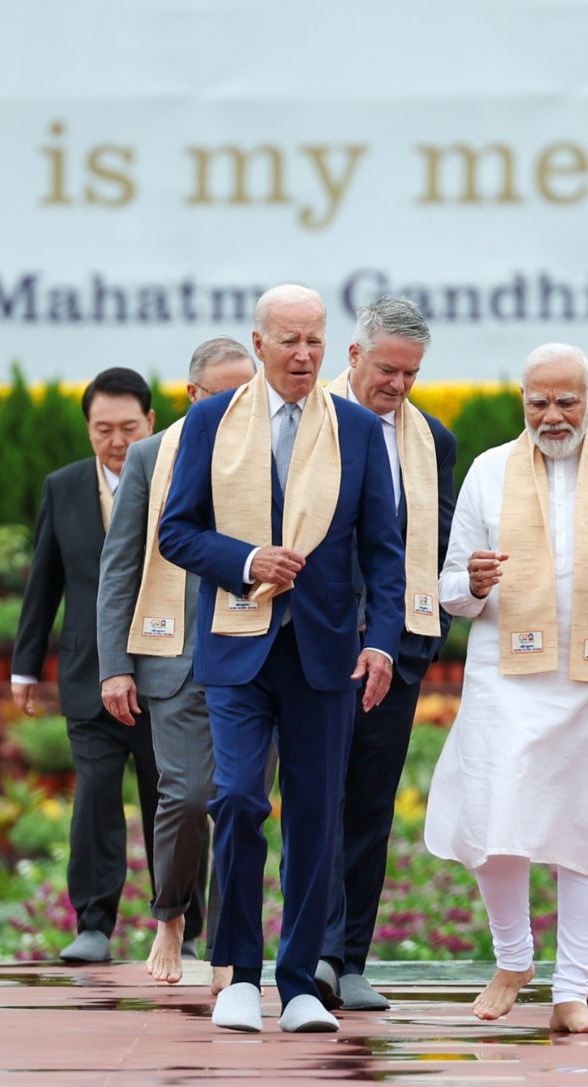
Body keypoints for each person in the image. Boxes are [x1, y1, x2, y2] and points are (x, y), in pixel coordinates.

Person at [424, 343, 588, 1034]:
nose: (551, 416)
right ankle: (513, 958)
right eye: (538, 402)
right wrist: (474, 585)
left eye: (566, 401)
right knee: (491, 821)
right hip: (509, 680)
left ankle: (571, 991)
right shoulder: (489, 472)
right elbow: (448, 590)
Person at [159, 284, 406, 1034]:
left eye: (315, 341)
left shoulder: (360, 431)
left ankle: (300, 983)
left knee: (316, 817)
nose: (304, 355)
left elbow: (385, 555)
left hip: (326, 654)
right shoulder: (209, 420)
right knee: (235, 798)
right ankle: (236, 971)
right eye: (289, 341)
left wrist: (383, 641)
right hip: (238, 646)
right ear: (259, 343)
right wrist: (246, 560)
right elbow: (177, 532)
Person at [97, 338, 256, 992]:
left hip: (253, 652)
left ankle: (225, 944)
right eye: (222, 394)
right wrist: (115, 664)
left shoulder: (274, 452)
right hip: (171, 657)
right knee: (187, 797)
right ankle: (170, 919)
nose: (236, 406)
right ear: (193, 395)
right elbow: (121, 566)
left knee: (240, 804)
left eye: (247, 393)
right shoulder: (149, 456)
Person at [314, 298, 456, 1012]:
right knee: (314, 802)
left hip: (396, 653)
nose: (399, 385)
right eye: (388, 369)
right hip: (317, 647)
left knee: (368, 807)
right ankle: (312, 952)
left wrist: (422, 641)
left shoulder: (435, 439)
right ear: (353, 356)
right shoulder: (313, 421)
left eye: (412, 373)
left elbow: (437, 547)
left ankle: (350, 959)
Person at [10, 367, 170, 963]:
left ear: (150, 423)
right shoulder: (66, 486)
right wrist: (26, 667)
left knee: (170, 803)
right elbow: (44, 583)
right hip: (86, 675)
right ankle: (94, 926)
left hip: (162, 672)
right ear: (88, 430)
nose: (117, 440)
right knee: (96, 798)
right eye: (103, 429)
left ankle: (180, 924)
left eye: (128, 427)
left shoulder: (175, 479)